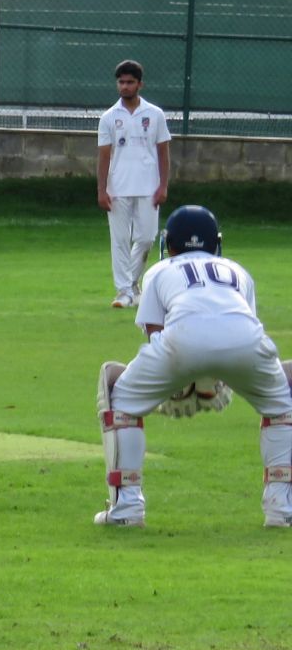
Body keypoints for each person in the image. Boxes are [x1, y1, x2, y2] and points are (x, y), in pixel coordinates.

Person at [96, 205, 292, 528]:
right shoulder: (238, 270)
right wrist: (212, 378)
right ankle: (281, 508)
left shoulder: (158, 271)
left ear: (168, 245)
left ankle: (126, 509)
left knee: (116, 388)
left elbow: (156, 336)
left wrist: (180, 383)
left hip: (181, 342)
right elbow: (235, 331)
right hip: (246, 342)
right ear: (216, 243)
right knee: (283, 400)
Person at [97, 59, 170, 308]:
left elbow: (163, 152)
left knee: (147, 238)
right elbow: (104, 156)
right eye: (121, 82)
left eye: (129, 82)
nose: (125, 87)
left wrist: (163, 186)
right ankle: (124, 293)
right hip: (117, 188)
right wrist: (101, 190)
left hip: (149, 187)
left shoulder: (155, 114)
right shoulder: (108, 117)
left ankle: (132, 284)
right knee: (119, 240)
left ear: (140, 84)